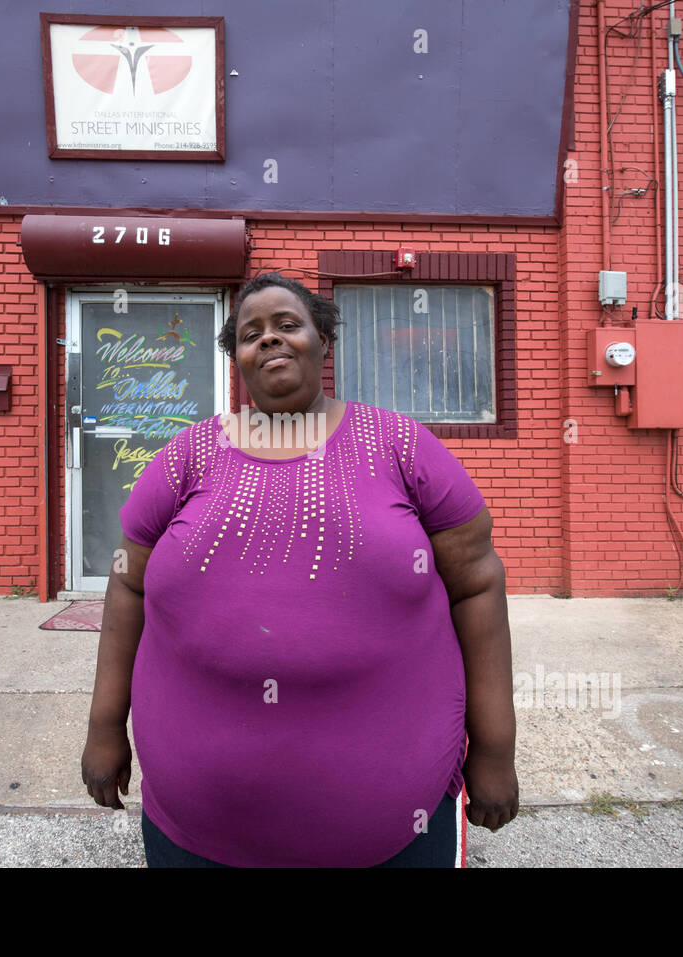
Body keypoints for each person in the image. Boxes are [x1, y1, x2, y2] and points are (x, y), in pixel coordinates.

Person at [81, 272, 518, 867]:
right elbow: (128, 582)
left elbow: (478, 586)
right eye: (250, 333)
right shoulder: (185, 457)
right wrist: (105, 726)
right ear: (235, 358)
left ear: (323, 340)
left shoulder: (400, 447)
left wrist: (495, 750)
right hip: (196, 828)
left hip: (394, 829)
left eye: (288, 325)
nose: (269, 341)